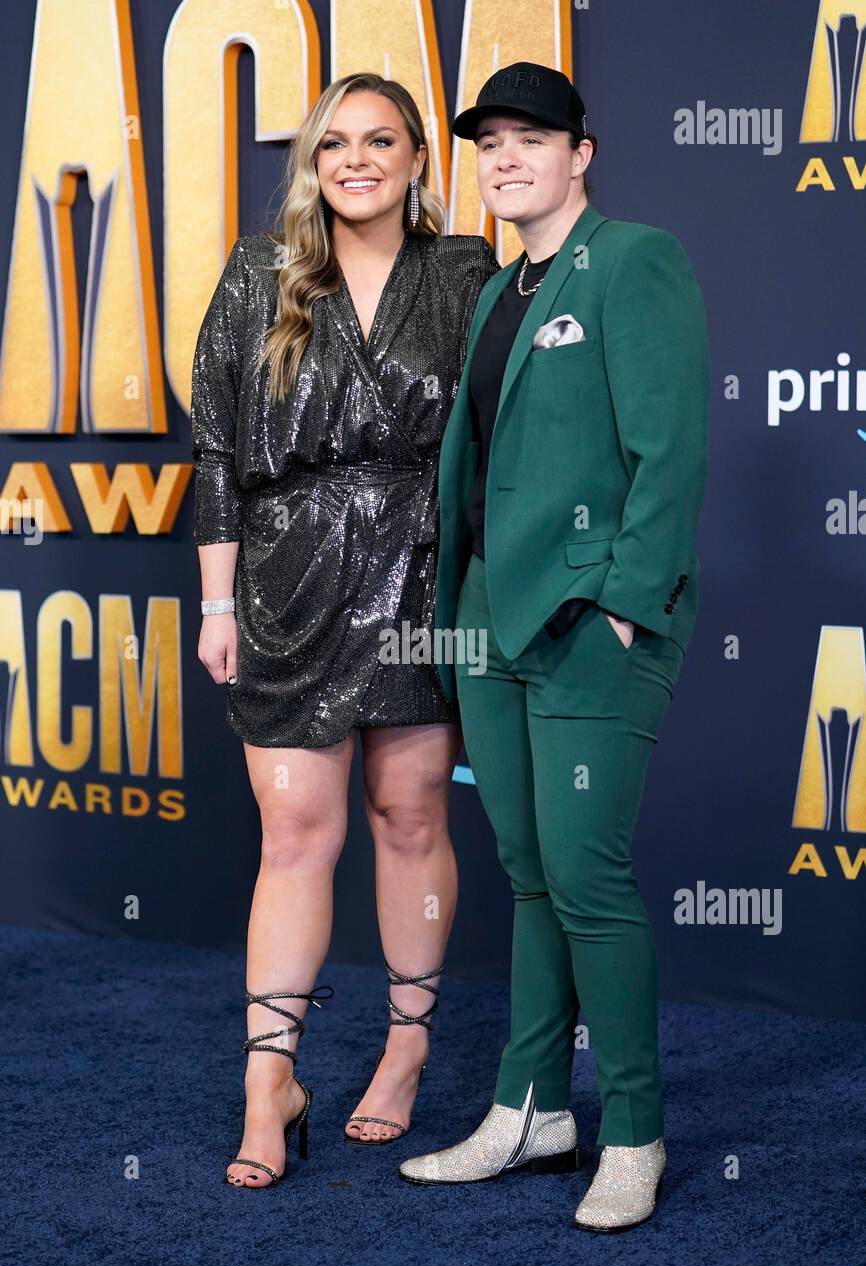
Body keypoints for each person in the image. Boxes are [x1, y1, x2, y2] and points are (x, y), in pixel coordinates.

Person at [398, 62, 710, 1233]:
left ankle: (631, 1128)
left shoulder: (634, 262)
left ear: (582, 151)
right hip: (488, 616)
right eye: (489, 143)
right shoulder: (493, 292)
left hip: (589, 621)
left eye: (532, 137)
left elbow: (668, 449)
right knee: (528, 874)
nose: (507, 157)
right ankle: (529, 1108)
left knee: (586, 877)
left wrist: (623, 603)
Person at [190, 72, 499, 1187]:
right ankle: (268, 1075)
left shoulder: (465, 273)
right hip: (285, 578)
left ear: (420, 159)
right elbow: (218, 451)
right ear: (312, 165)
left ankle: (406, 1046)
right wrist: (218, 603)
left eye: (380, 141)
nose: (355, 160)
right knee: (293, 834)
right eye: (334, 145)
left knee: (408, 815)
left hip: (421, 571)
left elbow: (504, 437)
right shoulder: (257, 271)